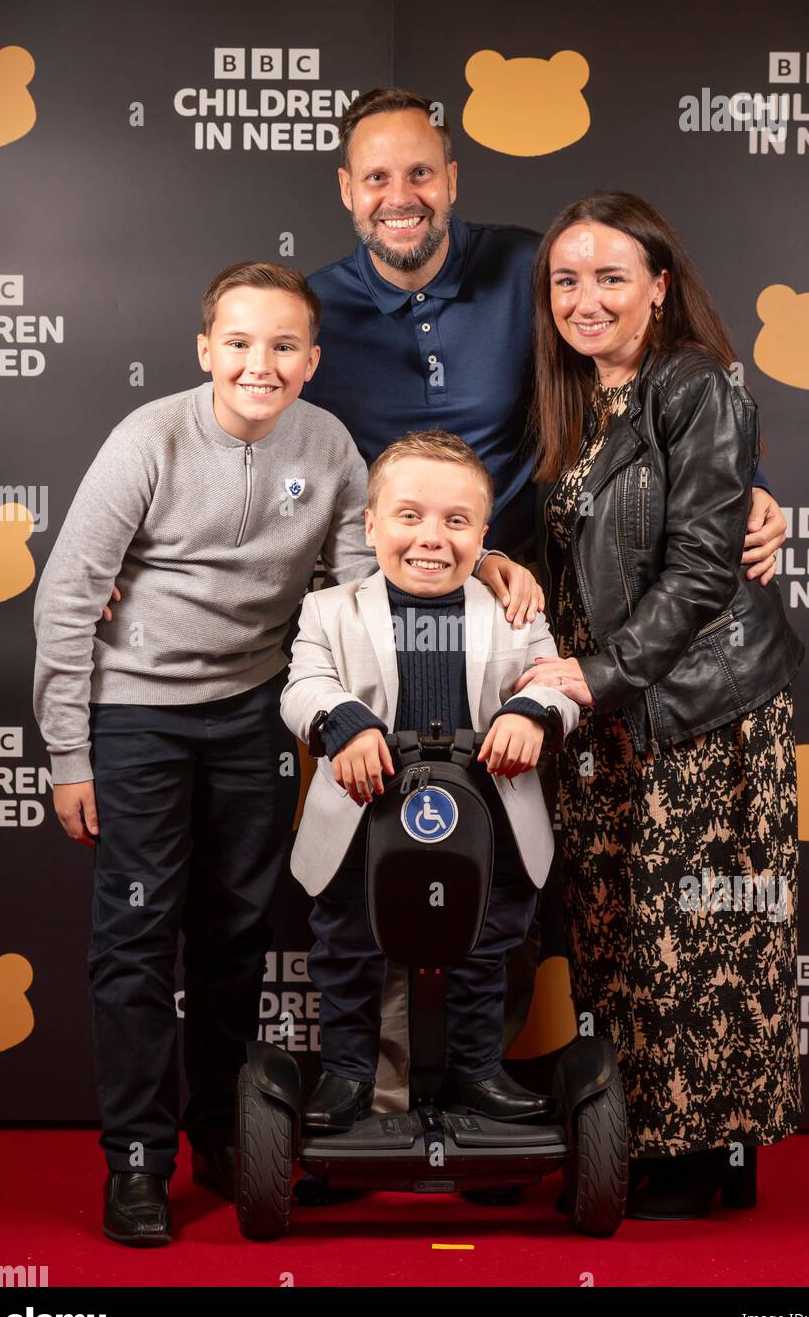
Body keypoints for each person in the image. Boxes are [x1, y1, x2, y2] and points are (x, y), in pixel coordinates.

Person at [299, 85, 791, 1117]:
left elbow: (681, 431)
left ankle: (496, 1100)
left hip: (532, 639)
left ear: (452, 181)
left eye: (421, 172)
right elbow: (262, 442)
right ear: (347, 191)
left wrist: (749, 495)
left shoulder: (532, 263)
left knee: (510, 874)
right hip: (412, 634)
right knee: (384, 866)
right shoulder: (313, 313)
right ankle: (380, 1098)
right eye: (378, 176)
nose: (402, 195)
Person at [32, 261, 538, 1247]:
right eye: (238, 342)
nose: (257, 365)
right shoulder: (150, 439)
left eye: (280, 347)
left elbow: (371, 591)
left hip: (253, 713)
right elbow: (65, 598)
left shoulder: (330, 446)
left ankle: (223, 1131)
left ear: (310, 361)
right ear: (205, 350)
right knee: (136, 943)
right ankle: (136, 1158)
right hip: (137, 714)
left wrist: (485, 565)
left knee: (235, 936)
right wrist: (67, 754)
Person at [514, 191, 804, 1221]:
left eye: (610, 278)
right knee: (615, 932)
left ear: (660, 287)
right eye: (566, 281)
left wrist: (600, 673)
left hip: (700, 707)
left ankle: (705, 1156)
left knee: (705, 933)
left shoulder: (698, 387)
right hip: (611, 715)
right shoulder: (575, 400)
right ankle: (632, 1139)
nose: (585, 300)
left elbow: (696, 571)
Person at [279, 431, 580, 1129]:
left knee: (487, 949)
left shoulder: (513, 612)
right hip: (365, 820)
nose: (431, 539)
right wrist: (342, 719)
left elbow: (559, 686)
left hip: (490, 823)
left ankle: (478, 1073)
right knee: (348, 948)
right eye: (409, 516)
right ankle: (351, 1076)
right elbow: (302, 688)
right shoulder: (332, 610)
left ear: (483, 534)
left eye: (456, 521)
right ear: (371, 525)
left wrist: (533, 713)